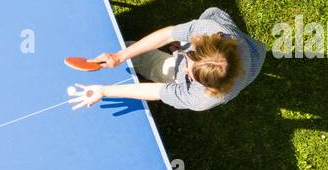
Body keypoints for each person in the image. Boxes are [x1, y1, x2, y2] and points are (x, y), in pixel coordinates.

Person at [66, 7, 266, 111]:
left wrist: (105, 90)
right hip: (252, 54)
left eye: (189, 76)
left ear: (208, 87)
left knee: (161, 67)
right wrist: (119, 57)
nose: (185, 69)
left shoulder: (201, 99)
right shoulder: (211, 28)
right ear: (205, 43)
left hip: (250, 64)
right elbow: (169, 35)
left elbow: (158, 91)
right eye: (189, 58)